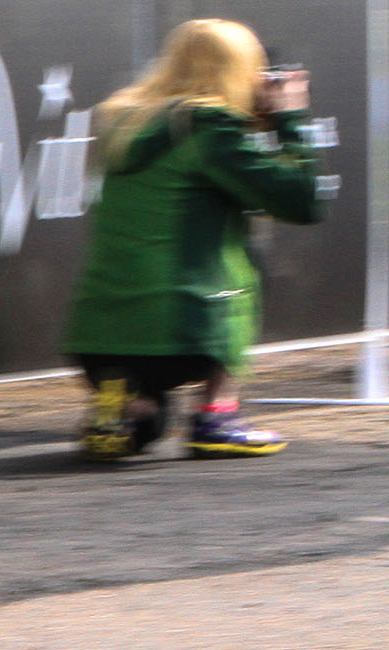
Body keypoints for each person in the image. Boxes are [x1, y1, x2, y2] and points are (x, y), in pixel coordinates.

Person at [61, 18, 323, 462]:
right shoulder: (208, 130)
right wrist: (290, 120)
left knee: (151, 423)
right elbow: (301, 201)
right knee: (239, 266)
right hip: (185, 333)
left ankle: (122, 406)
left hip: (97, 336)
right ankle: (216, 415)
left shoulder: (122, 121)